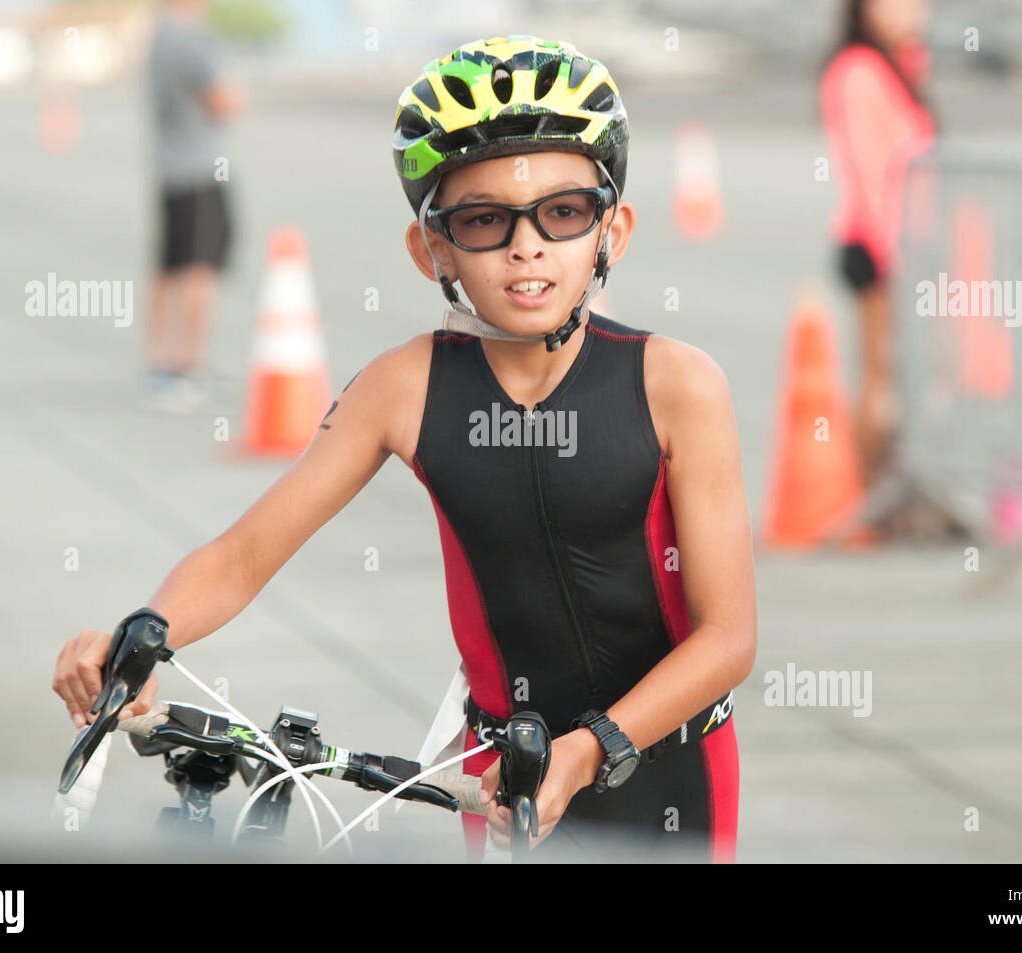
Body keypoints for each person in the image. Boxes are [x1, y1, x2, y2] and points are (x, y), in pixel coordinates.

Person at [54, 36, 756, 863]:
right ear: (434, 250)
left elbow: (727, 636)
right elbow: (244, 554)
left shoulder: (677, 383)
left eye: (562, 212)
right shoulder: (405, 388)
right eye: (485, 219)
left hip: (668, 765)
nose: (527, 246)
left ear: (614, 229)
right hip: (501, 780)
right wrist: (140, 636)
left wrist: (591, 746)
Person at [820, 0, 935, 495]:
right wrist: (898, 258)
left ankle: (895, 491)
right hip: (875, 242)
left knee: (898, 375)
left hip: (901, 243)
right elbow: (870, 175)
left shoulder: (896, 66)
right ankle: (874, 496)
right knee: (881, 376)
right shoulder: (859, 71)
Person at [144, 0, 243, 412]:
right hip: (200, 172)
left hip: (172, 170)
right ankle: (186, 365)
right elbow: (223, 101)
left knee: (171, 266)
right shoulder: (186, 38)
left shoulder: (160, 35)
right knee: (199, 266)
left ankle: (161, 364)